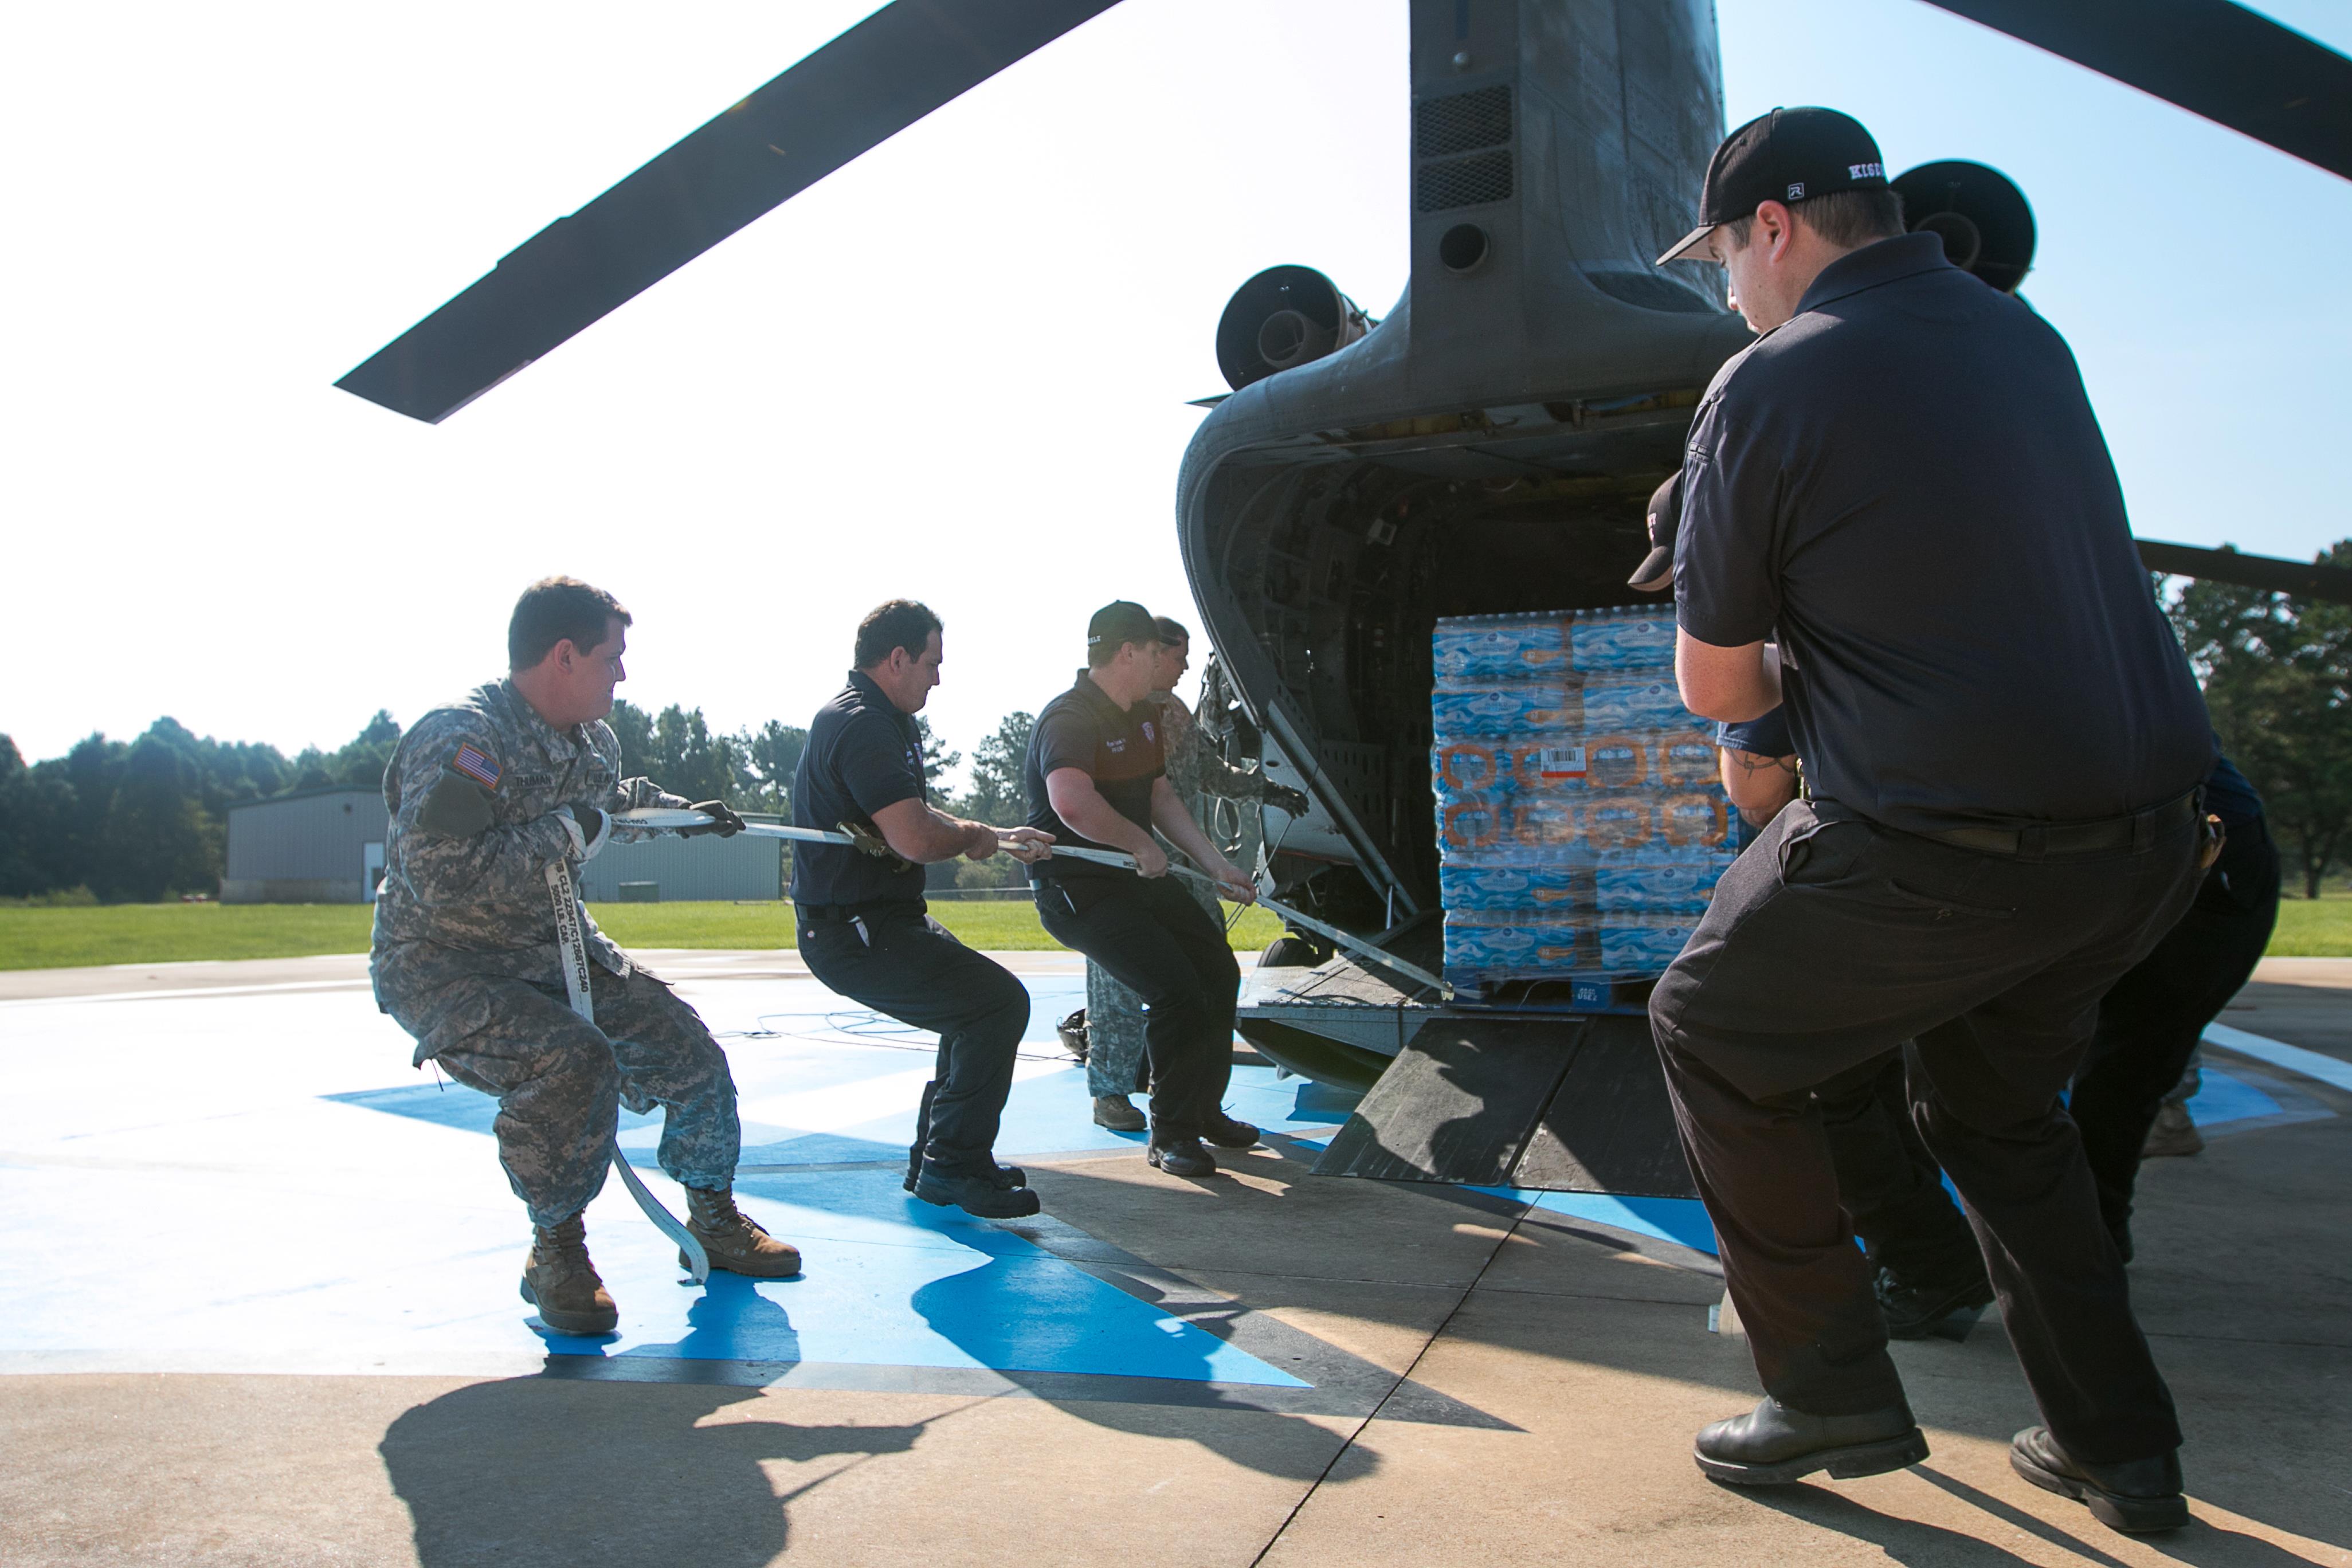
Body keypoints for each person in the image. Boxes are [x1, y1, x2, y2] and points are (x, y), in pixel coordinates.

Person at [1649, 108, 2216, 1532]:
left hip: (1936, 842)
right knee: (1997, 1112)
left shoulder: (1767, 379)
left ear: (1769, 230)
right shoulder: (2025, 340)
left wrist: (1775, 693)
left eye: (1723, 255)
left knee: (1711, 1023)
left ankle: (1828, 1381)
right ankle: (2118, 1443)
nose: (1728, 287)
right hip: (2145, 841)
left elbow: (1719, 674)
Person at [372, 577, 799, 1339]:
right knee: (572, 1062)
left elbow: (610, 797)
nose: (623, 675)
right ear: (563, 656)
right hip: (447, 966)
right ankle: (558, 1253)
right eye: (613, 658)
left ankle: (714, 1219)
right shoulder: (463, 739)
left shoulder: (589, 740)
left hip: (554, 949)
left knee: (688, 1051)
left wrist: (678, 815)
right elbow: (438, 876)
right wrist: (568, 833)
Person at [789, 600, 1059, 1219]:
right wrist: (973, 835)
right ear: (897, 659)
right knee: (995, 1005)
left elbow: (914, 820)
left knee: (973, 1006)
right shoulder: (863, 724)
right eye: (933, 664)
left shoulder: (884, 720)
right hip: (852, 928)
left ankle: (938, 1157)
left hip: (880, 919)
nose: (938, 678)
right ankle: (952, 1165)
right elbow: (915, 837)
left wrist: (998, 834)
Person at [1025, 602, 1261, 1177]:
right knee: (1176, 989)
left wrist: (1215, 865)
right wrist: (1137, 843)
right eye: (1158, 651)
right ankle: (1172, 1135)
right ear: (1128, 652)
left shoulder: (1144, 718)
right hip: (1079, 888)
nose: (1164, 661)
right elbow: (1071, 803)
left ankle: (1203, 1110)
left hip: (1133, 877)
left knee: (1218, 971)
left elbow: (1161, 799)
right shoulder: (1071, 717)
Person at [1076, 614, 1311, 1130]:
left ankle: (1200, 1099)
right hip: (1127, 867)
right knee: (1117, 985)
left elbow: (1209, 775)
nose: (1185, 666)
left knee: (1211, 975)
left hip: (1186, 866)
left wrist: (1268, 791)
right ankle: (1111, 1093)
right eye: (1178, 655)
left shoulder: (1176, 715)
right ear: (1149, 654)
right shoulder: (1105, 714)